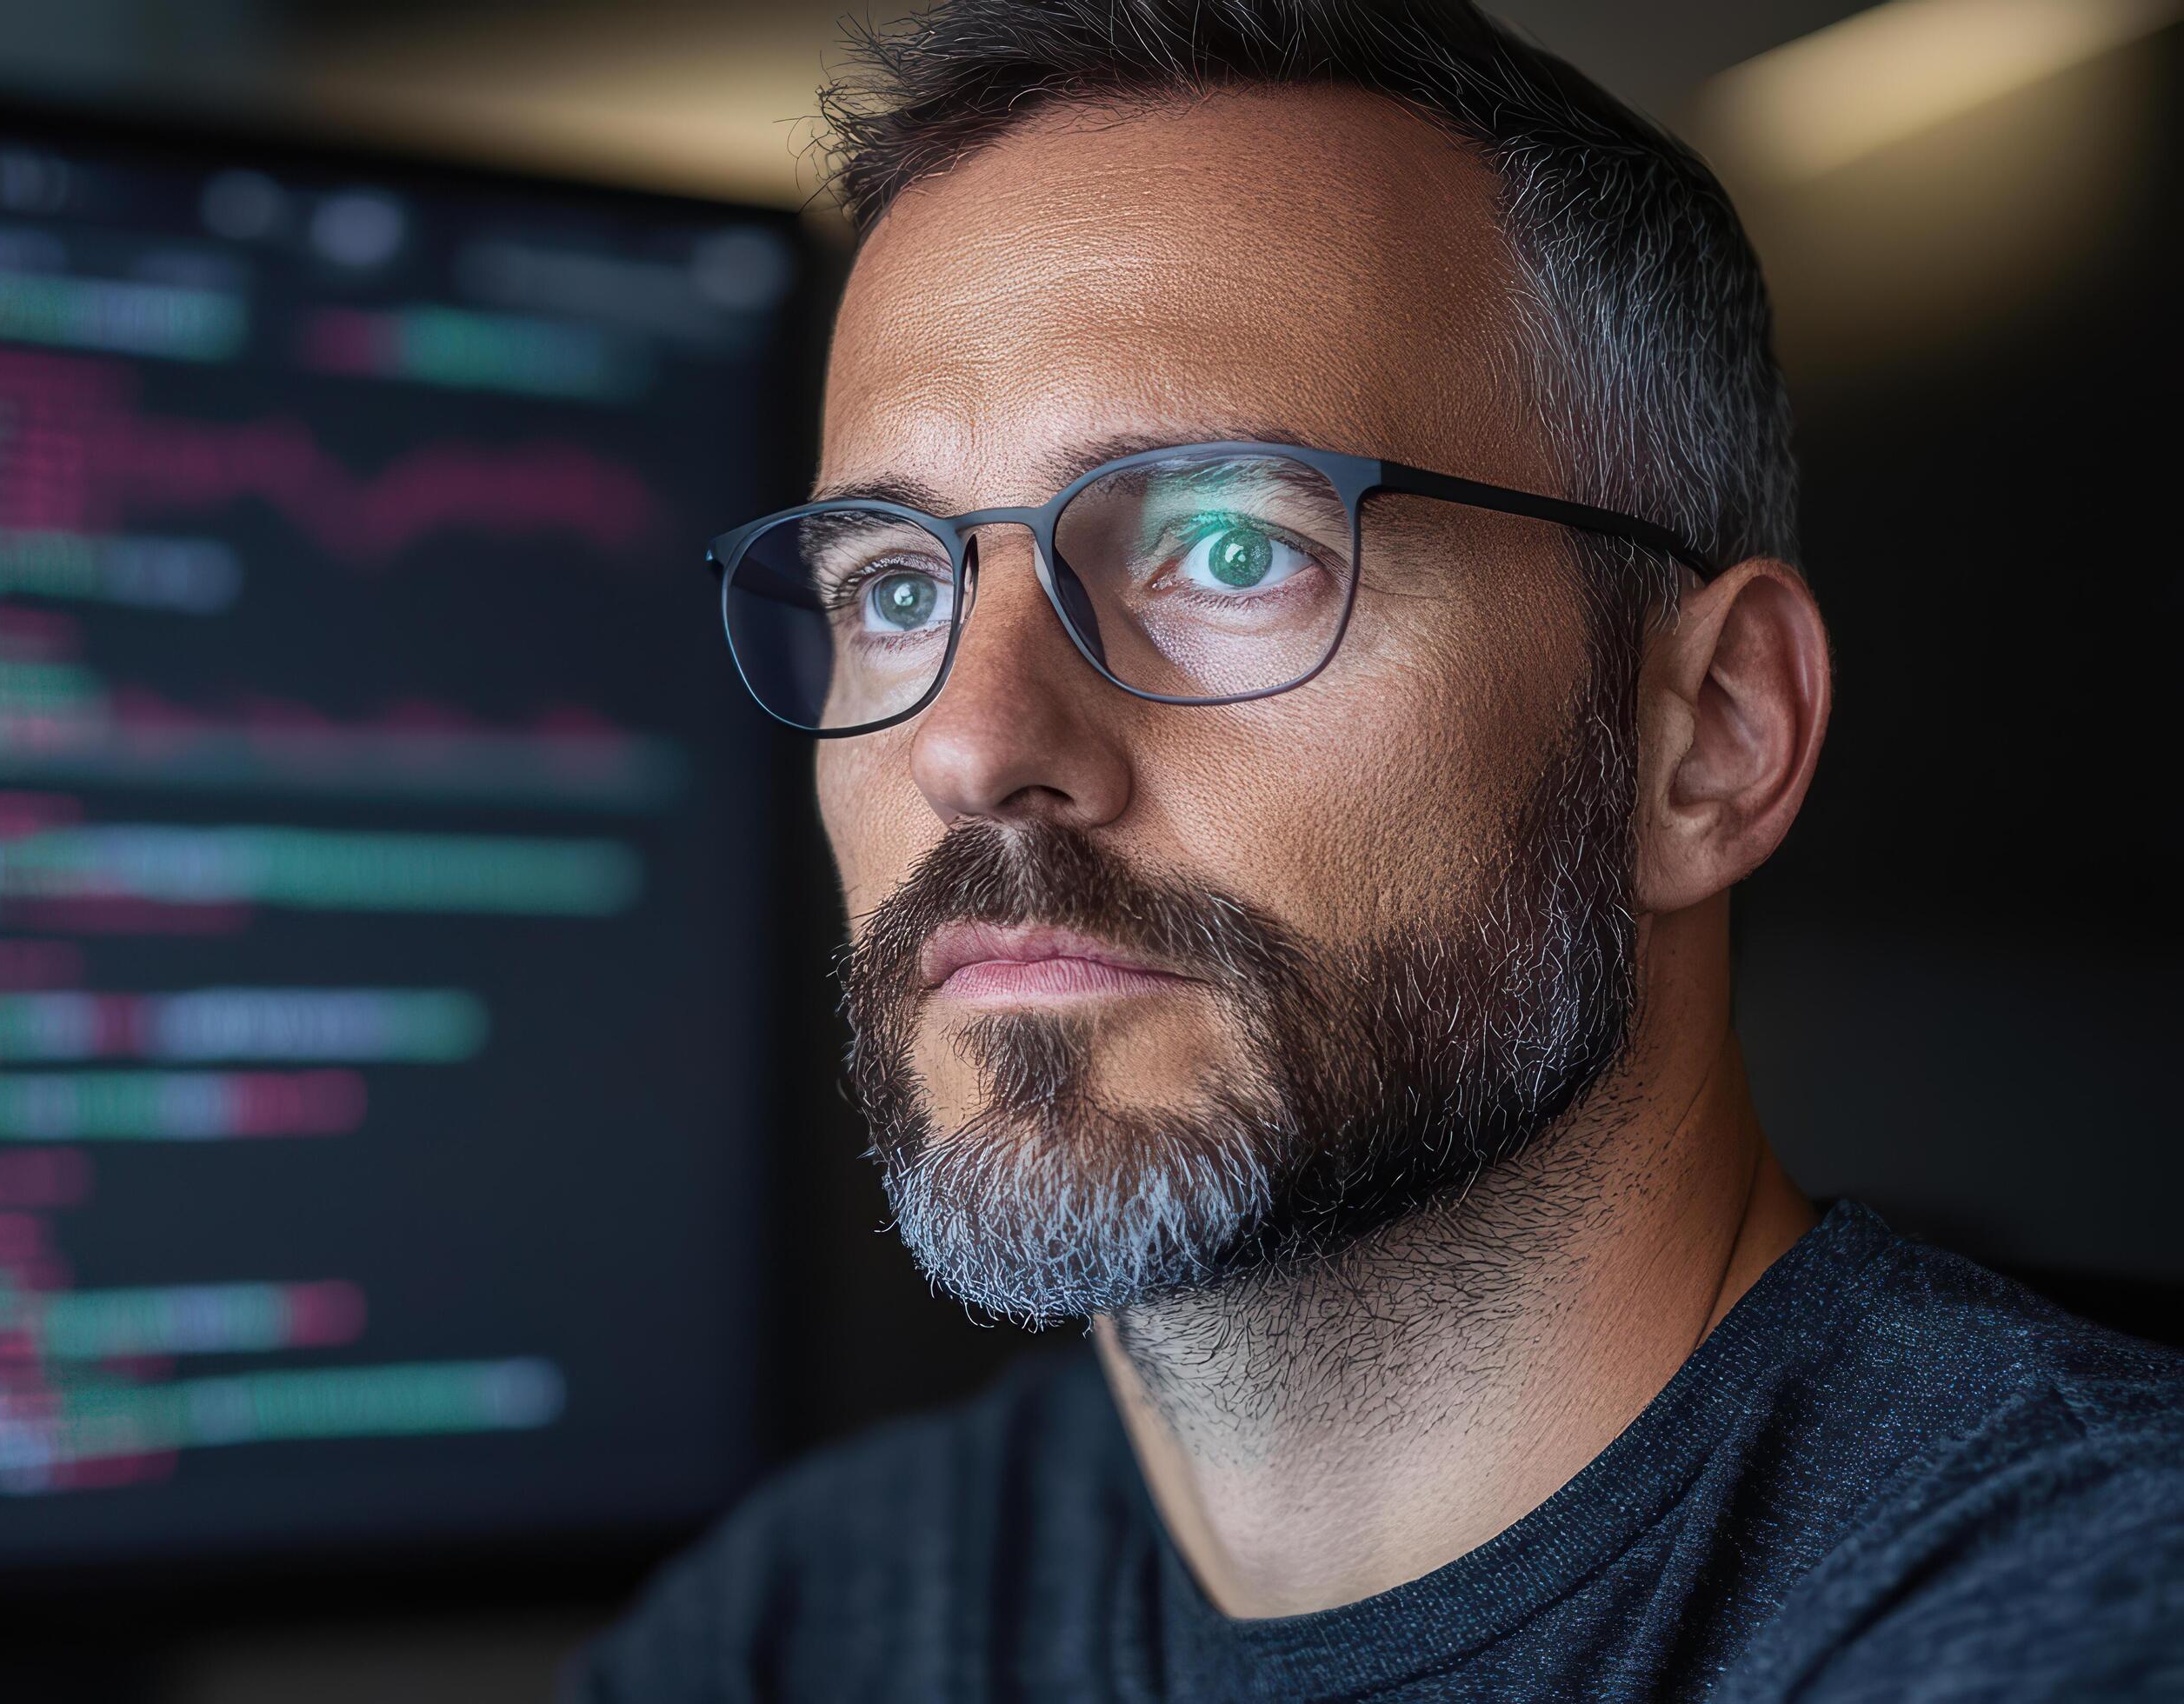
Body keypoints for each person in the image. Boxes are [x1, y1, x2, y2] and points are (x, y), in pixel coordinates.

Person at [575, 1, 2184, 1698]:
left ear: (1709, 732)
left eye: (1225, 544)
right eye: (895, 589)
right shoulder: (795, 1627)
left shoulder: (2080, 1607)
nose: (974, 744)